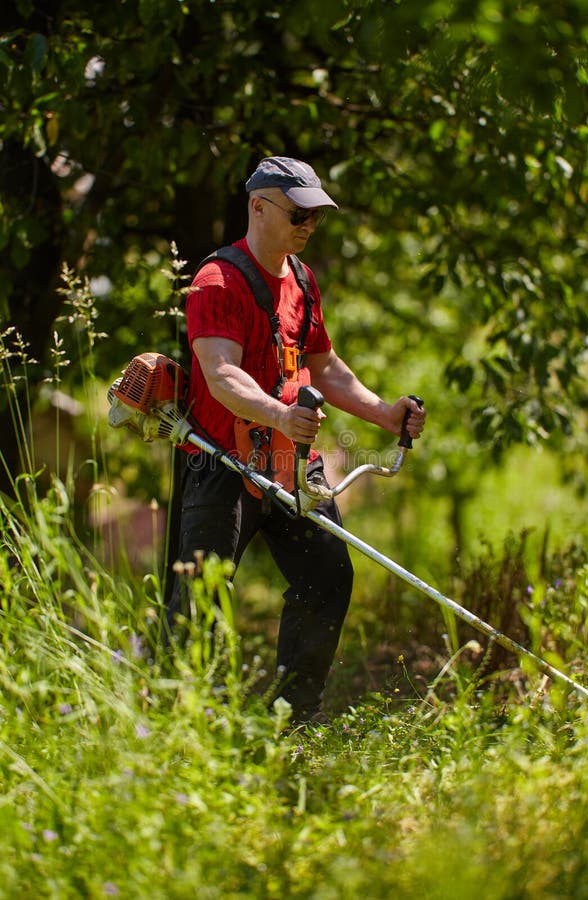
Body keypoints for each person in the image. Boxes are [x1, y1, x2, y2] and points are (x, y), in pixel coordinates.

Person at [168, 156, 426, 723]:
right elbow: (221, 373)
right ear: (258, 207)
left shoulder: (303, 281)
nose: (308, 226)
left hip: (291, 464)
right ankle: (186, 731)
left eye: (317, 217)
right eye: (299, 213)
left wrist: (385, 414)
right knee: (200, 604)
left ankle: (292, 719)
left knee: (328, 575)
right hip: (222, 465)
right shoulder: (217, 281)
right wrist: (280, 415)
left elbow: (324, 367)